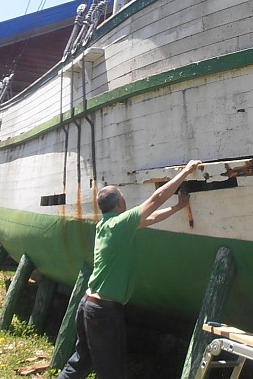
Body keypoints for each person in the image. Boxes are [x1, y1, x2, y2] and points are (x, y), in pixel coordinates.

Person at [58, 159, 202, 379]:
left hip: (87, 306)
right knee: (112, 372)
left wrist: (178, 207)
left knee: (81, 362)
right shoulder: (119, 224)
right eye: (123, 197)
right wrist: (186, 171)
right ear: (119, 205)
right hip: (104, 313)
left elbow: (150, 218)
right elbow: (155, 199)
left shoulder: (108, 225)